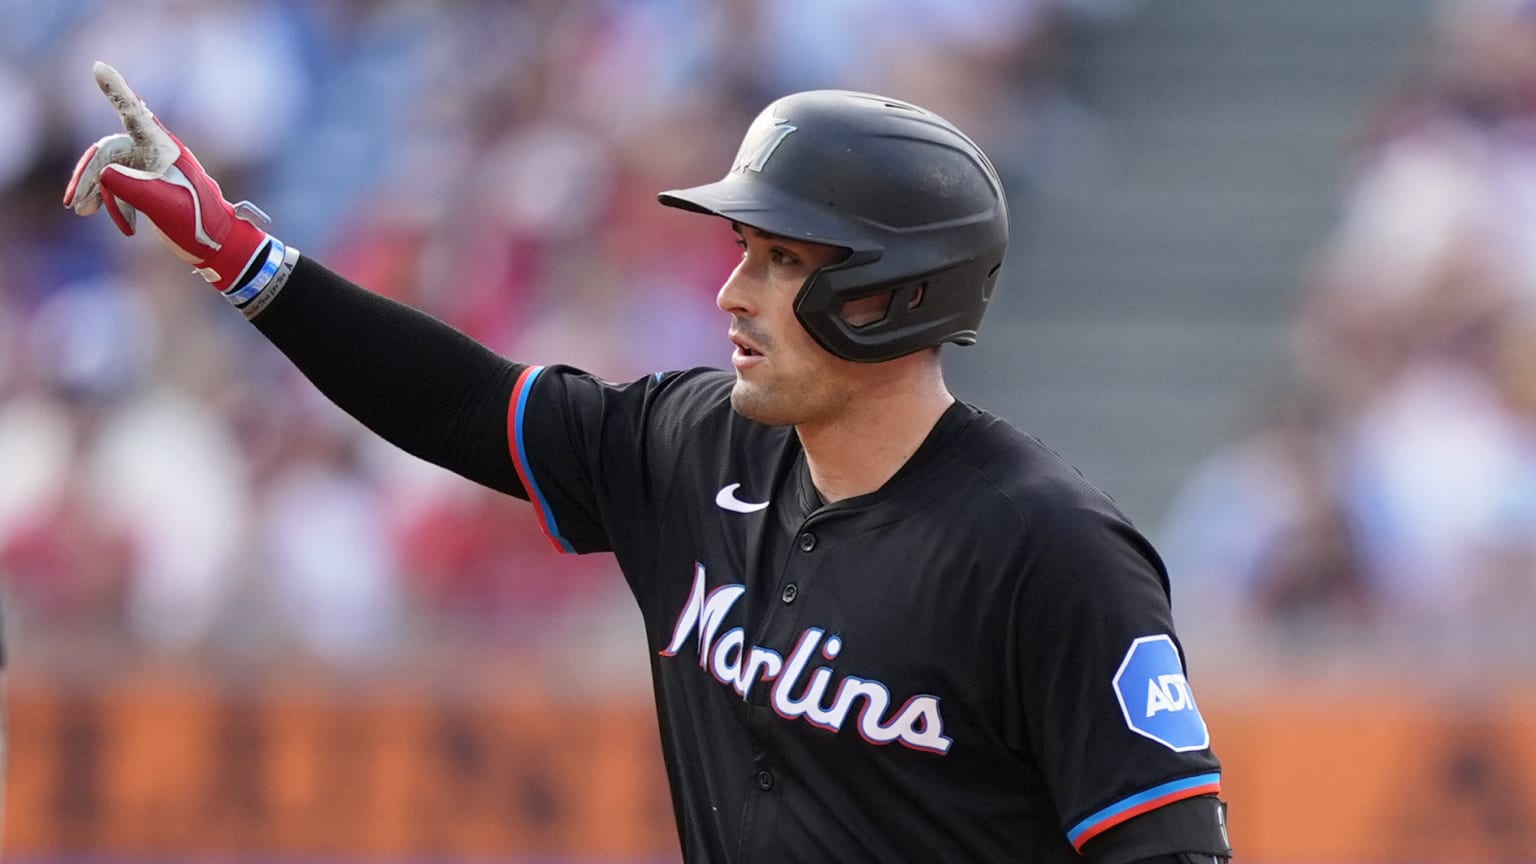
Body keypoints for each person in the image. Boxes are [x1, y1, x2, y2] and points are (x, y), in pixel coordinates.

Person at [64, 62, 1231, 864]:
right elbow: (470, 407)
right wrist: (236, 251)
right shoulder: (693, 446)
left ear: (894, 294)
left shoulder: (1050, 552)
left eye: (780, 261)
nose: (731, 293)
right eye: (743, 251)